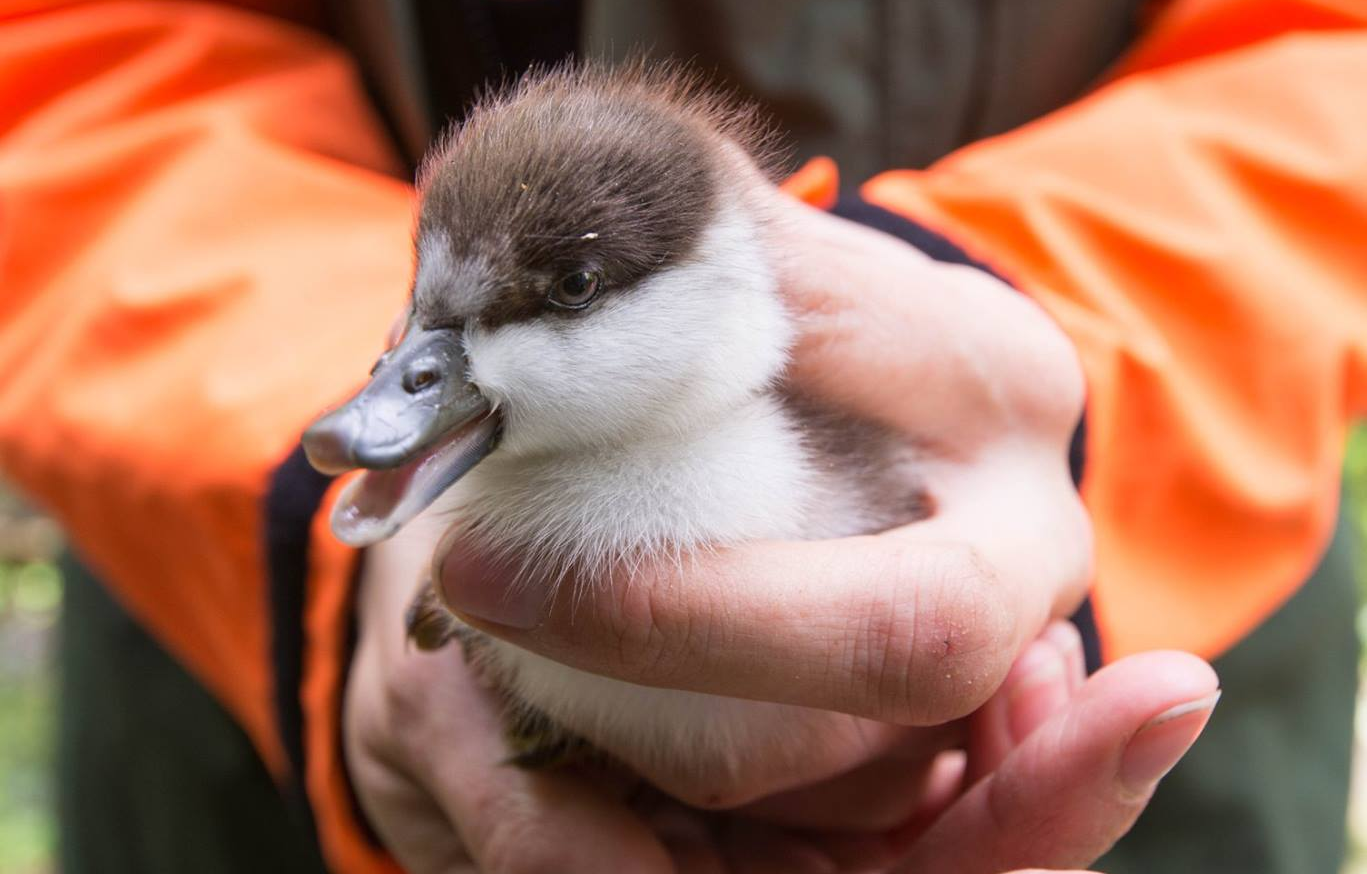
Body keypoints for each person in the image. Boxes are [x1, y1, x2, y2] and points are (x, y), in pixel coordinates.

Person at [0, 1, 1362, 872]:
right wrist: (322, 560)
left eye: (571, 302)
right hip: (245, 707)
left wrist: (1038, 353)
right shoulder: (462, 431)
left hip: (1163, 622)